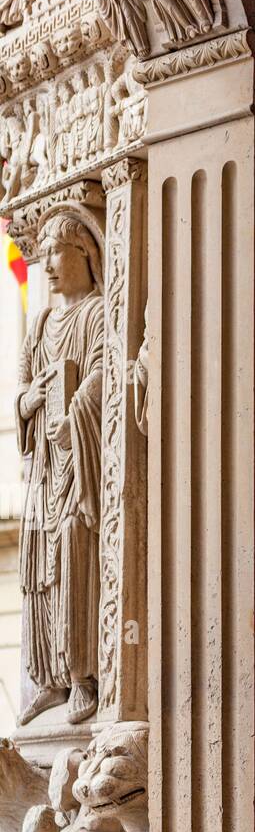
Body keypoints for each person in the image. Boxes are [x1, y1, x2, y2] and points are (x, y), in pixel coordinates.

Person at [16, 207, 104, 727]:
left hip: (80, 460)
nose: (47, 265)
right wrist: (34, 399)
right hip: (46, 467)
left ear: (85, 255)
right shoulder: (42, 323)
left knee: (74, 547)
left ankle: (83, 676)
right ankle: (48, 677)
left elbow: (100, 372)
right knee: (38, 560)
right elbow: (22, 392)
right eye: (43, 254)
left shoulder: (95, 312)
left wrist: (73, 414)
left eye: (57, 253)